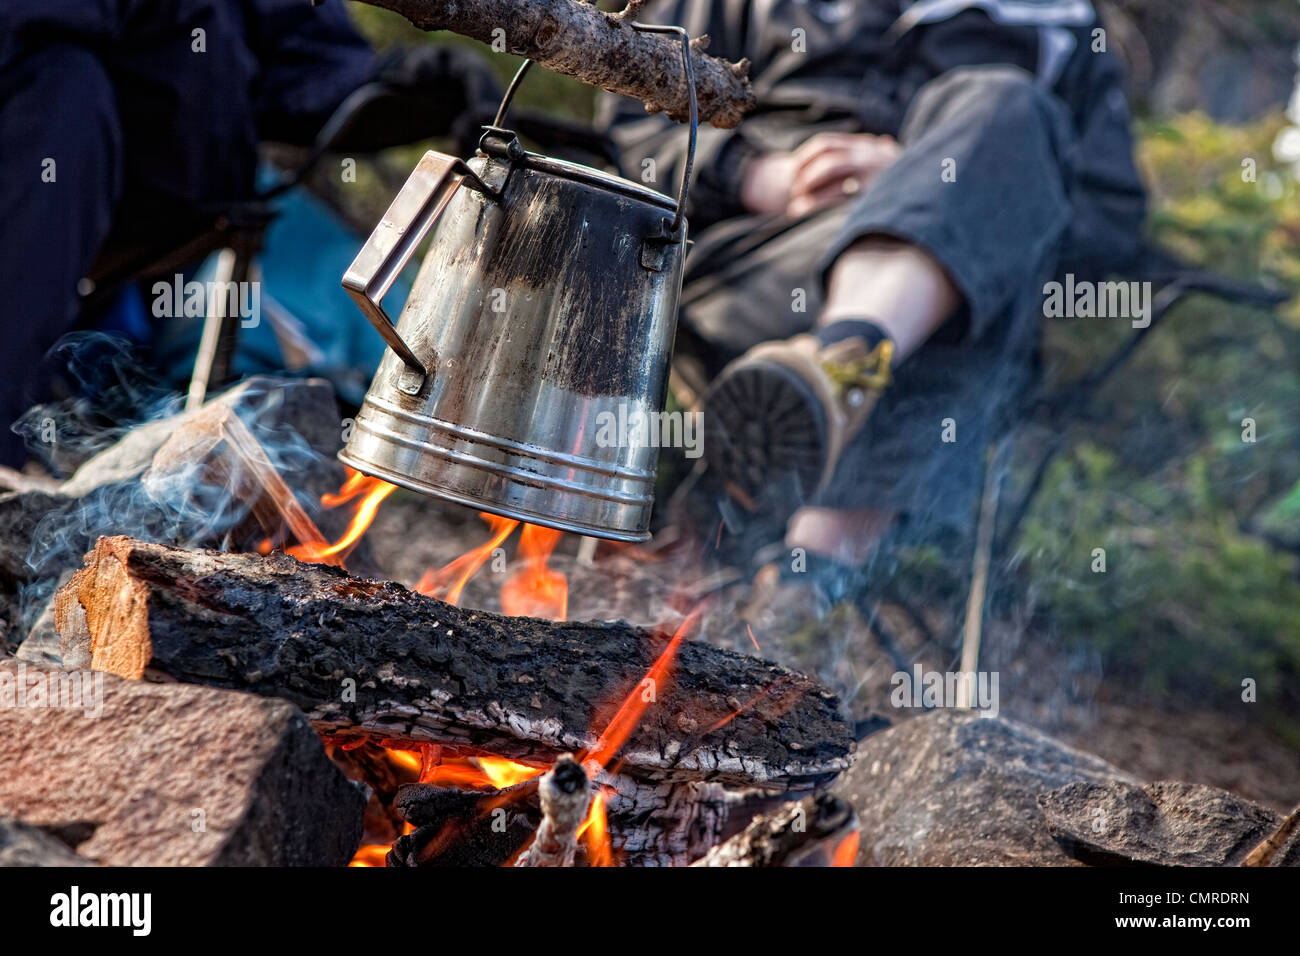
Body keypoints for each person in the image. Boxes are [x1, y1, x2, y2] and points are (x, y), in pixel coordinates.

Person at [598, 0, 1147, 580]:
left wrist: (935, 181)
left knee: (1004, 116)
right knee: (955, 265)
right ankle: (808, 586)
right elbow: (637, 109)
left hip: (958, 279)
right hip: (754, 264)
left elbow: (1108, 216)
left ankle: (835, 370)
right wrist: (758, 175)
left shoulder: (1057, 18)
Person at [0, 0, 496, 469]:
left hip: (164, 208)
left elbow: (303, 75)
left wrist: (414, 88)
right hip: (36, 139)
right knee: (66, 92)